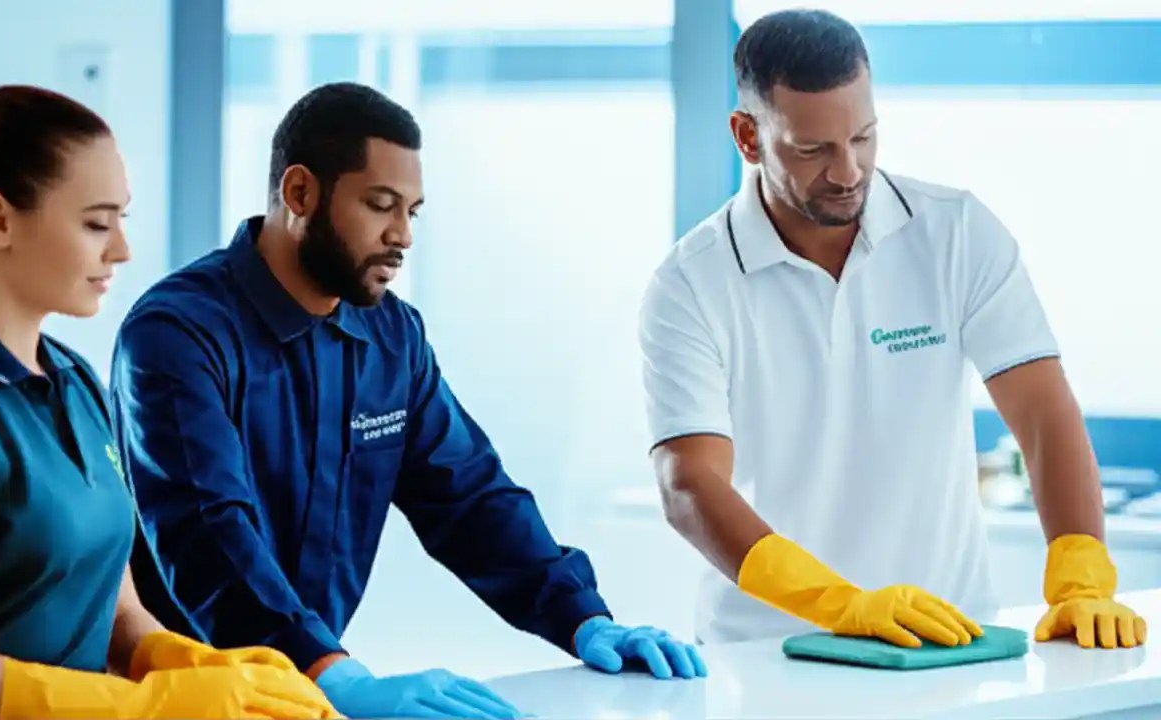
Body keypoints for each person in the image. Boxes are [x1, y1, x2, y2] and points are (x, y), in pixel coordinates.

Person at [109, 81, 707, 720]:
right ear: (300, 193)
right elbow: (206, 534)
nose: (402, 236)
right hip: (179, 696)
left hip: (306, 691)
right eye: (380, 205)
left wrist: (583, 619)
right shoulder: (177, 334)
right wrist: (331, 674)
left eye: (412, 212)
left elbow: (471, 498)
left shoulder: (392, 336)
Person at [640, 8, 1146, 652]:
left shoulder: (956, 232)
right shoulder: (689, 283)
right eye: (812, 149)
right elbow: (689, 483)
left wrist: (1082, 578)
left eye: (863, 138)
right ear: (747, 136)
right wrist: (837, 604)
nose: (848, 172)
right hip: (767, 650)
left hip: (951, 641)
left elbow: (1043, 413)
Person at [0, 70, 337, 719]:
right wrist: (154, 705)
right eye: (98, 224)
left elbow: (117, 610)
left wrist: (198, 666)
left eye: (121, 219)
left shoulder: (75, 381)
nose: (121, 250)